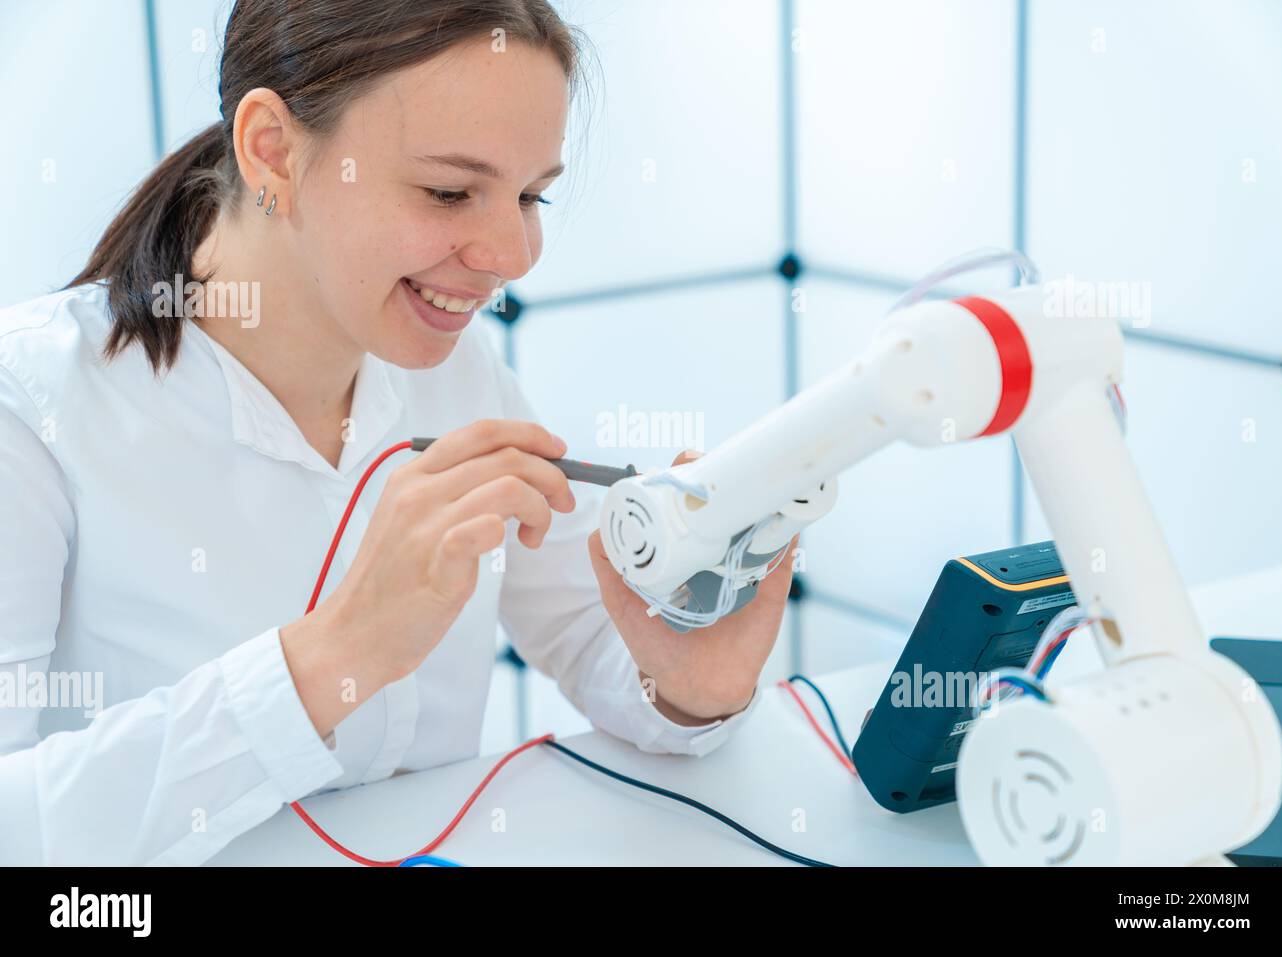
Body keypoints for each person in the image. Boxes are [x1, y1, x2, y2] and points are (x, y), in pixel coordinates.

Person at [0, 0, 794, 865]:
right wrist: (334, 654)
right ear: (271, 148)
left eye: (530, 194)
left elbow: (584, 628)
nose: (512, 252)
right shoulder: (32, 403)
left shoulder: (454, 367)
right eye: (449, 191)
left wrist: (686, 685)